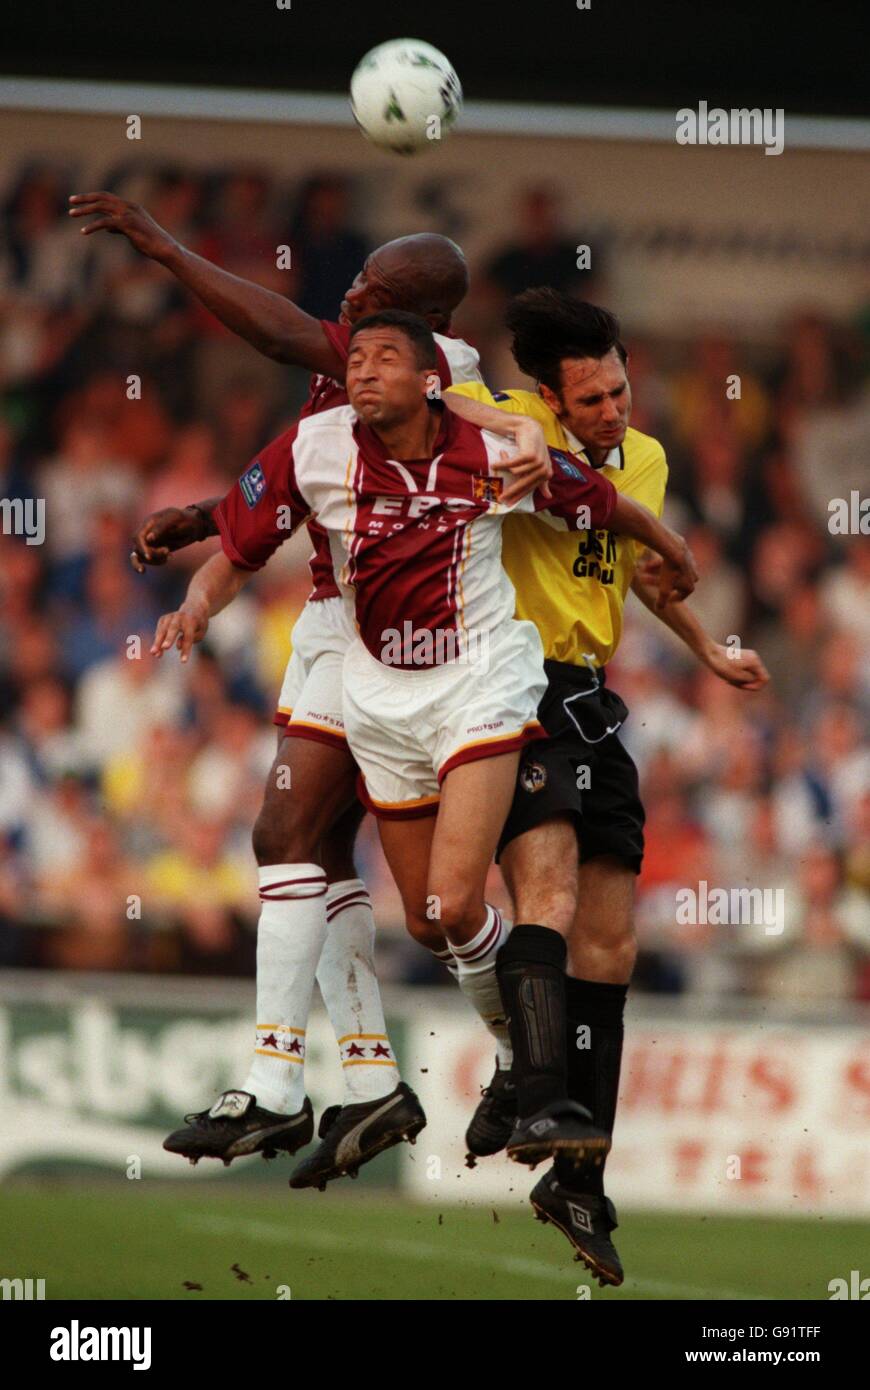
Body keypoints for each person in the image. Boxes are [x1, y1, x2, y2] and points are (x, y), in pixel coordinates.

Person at [152, 310, 697, 1185]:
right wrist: (195, 606)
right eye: (355, 355)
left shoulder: (498, 452)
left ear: (430, 378)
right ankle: (505, 1057)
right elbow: (245, 541)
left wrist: (673, 549)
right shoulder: (317, 448)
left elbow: (601, 503)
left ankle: (475, 1073)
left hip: (480, 688)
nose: (362, 369)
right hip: (378, 697)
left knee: (438, 889)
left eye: (384, 357)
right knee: (434, 919)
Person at [69, 190, 545, 1172]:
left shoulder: (427, 368)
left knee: (307, 846)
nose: (358, 298)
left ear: (430, 325)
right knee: (317, 852)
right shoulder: (378, 372)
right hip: (344, 628)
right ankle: (368, 1081)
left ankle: (287, 1085)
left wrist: (164, 247)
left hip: (386, 638)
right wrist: (213, 517)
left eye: (378, 288)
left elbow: (282, 335)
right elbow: (307, 471)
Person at [444, 289, 769, 1285]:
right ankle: (537, 1088)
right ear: (551, 396)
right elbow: (444, 395)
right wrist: (497, 413)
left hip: (590, 693)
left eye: (619, 390)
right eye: (589, 400)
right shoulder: (519, 426)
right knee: (543, 890)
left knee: (611, 937)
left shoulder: (650, 458)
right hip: (513, 684)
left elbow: (632, 568)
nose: (612, 410)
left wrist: (707, 646)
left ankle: (578, 1173)